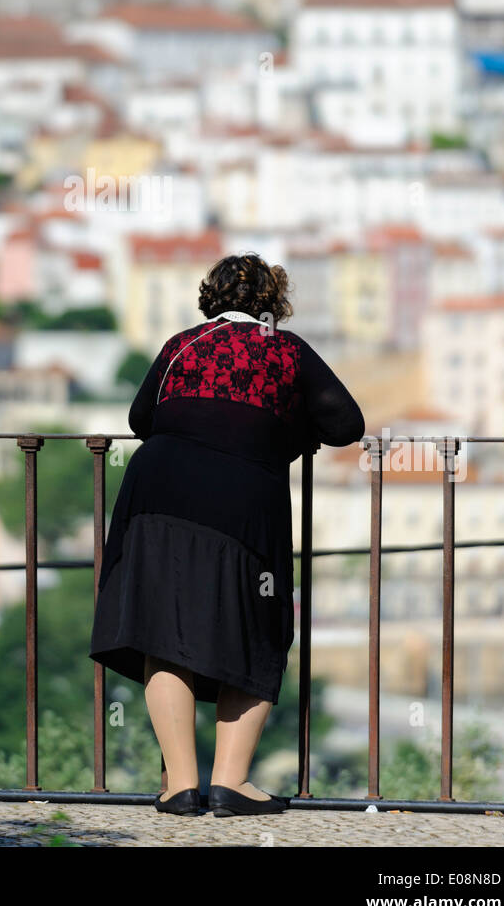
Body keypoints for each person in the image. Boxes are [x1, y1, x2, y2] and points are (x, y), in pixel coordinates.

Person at [90, 252, 365, 816]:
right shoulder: (287, 351)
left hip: (157, 492)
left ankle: (180, 787)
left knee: (162, 630)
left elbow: (141, 419)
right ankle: (230, 783)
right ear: (273, 303)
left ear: (211, 297)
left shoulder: (181, 346)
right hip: (242, 500)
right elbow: (347, 425)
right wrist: (283, 426)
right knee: (258, 627)